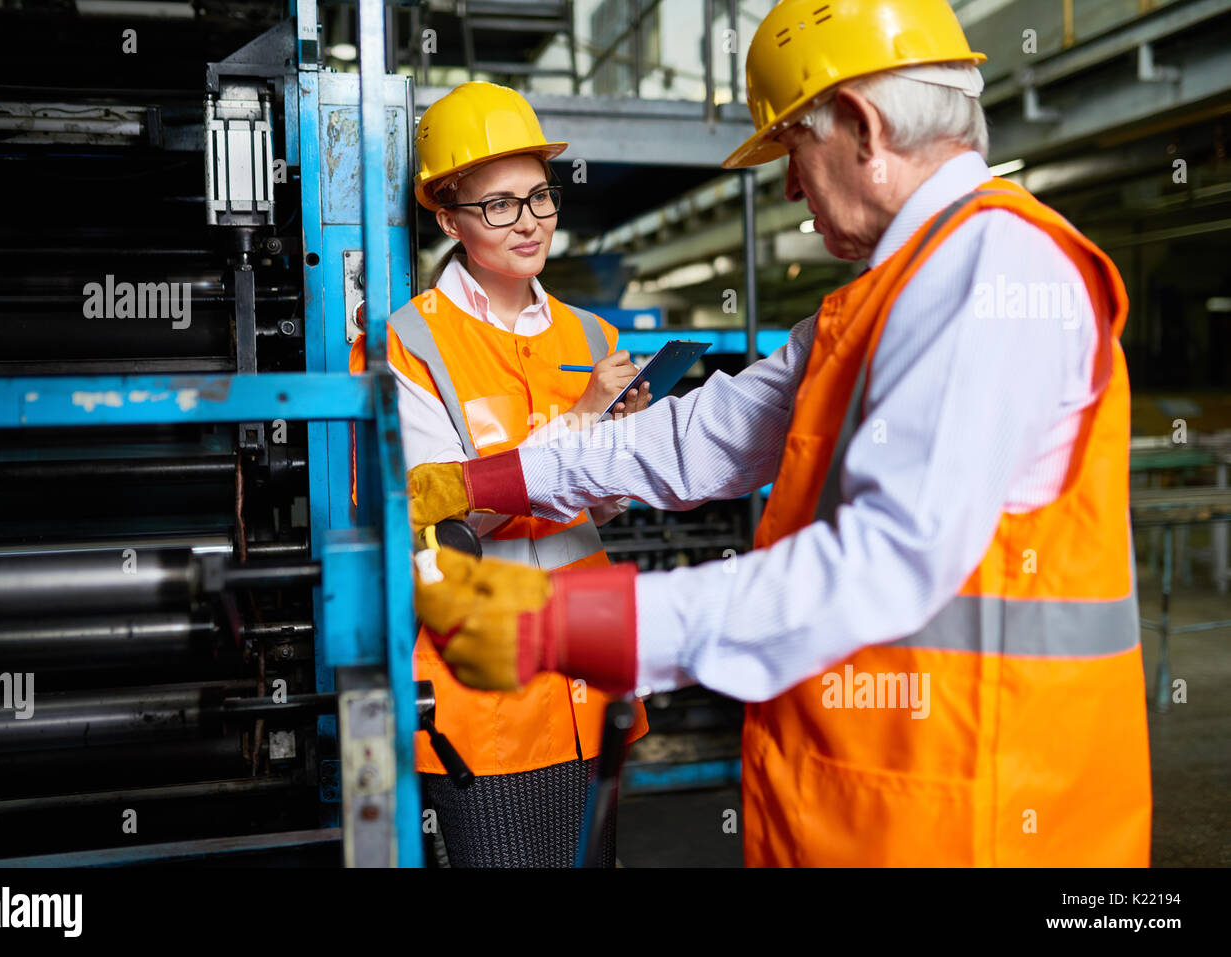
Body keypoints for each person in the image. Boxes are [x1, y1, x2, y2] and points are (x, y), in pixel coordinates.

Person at [406, 0, 1151, 867]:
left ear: (865, 129)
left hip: (988, 806)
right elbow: (701, 434)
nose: (792, 187)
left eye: (794, 149)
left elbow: (883, 559)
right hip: (888, 789)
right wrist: (485, 482)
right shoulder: (883, 293)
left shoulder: (995, 272)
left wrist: (576, 621)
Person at [351, 80, 650, 868]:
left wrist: (623, 448)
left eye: (540, 197)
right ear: (447, 217)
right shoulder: (410, 343)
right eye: (500, 205)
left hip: (592, 662)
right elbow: (434, 516)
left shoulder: (592, 332)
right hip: (492, 684)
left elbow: (602, 512)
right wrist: (583, 418)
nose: (531, 222)